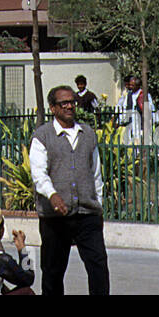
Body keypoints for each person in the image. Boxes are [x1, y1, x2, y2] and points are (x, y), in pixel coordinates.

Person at [29, 85, 109, 295]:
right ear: (52, 108)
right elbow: (39, 174)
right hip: (55, 217)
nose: (69, 106)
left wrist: (98, 205)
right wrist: (53, 195)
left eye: (72, 101)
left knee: (98, 266)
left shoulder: (88, 134)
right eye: (63, 103)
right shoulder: (42, 136)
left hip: (87, 214)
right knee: (53, 271)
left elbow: (96, 173)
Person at [119, 74, 156, 144]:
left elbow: (151, 109)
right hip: (131, 124)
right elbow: (124, 108)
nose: (130, 87)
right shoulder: (128, 95)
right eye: (130, 85)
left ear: (138, 86)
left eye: (132, 85)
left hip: (141, 125)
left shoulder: (145, 95)